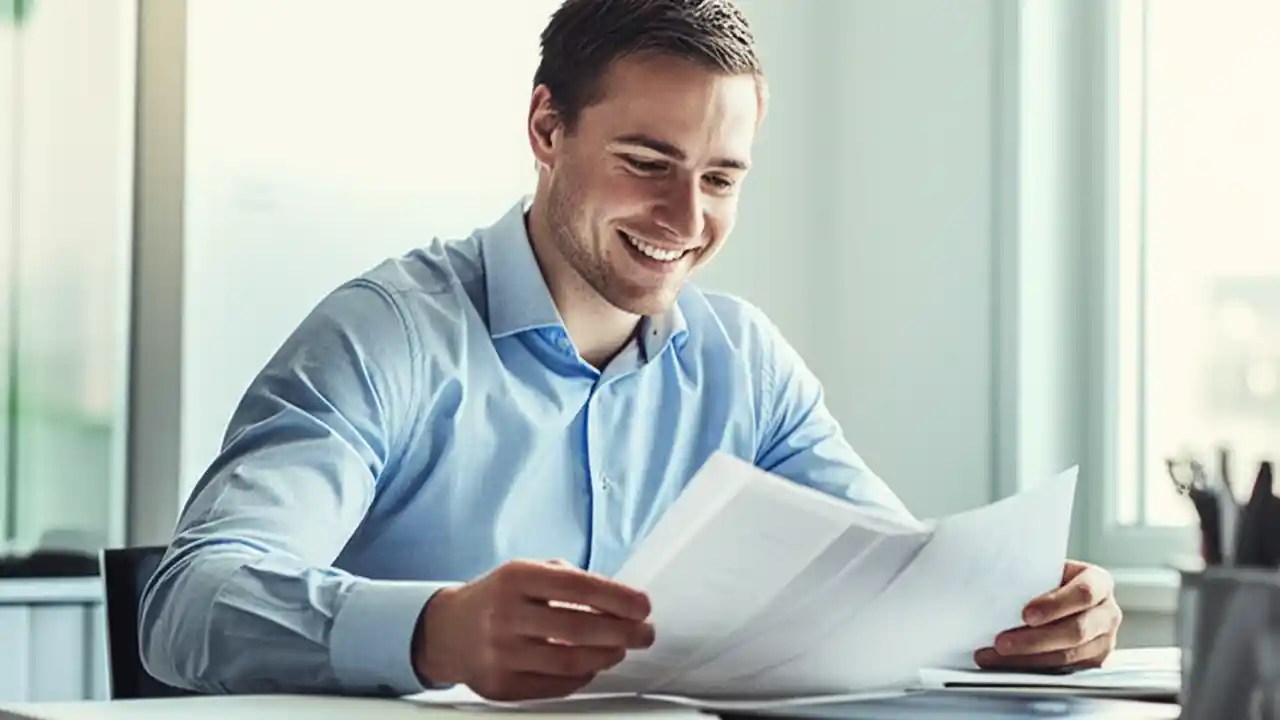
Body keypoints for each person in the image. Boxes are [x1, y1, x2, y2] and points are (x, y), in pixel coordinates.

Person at [140, 0, 1123, 701]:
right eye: (646, 163)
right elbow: (186, 603)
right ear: (545, 128)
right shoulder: (386, 335)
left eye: (721, 178)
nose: (685, 218)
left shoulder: (744, 366)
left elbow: (888, 588)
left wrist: (1024, 618)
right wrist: (434, 630)